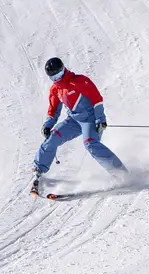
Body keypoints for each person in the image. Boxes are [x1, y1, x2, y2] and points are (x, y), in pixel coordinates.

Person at [31, 57, 127, 192]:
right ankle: (38, 170)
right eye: (53, 77)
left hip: (90, 119)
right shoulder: (55, 89)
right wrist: (48, 125)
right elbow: (53, 110)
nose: (57, 79)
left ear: (63, 69)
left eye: (59, 74)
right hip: (74, 120)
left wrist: (100, 119)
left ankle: (121, 174)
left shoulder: (79, 81)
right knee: (52, 138)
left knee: (90, 143)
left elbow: (97, 99)